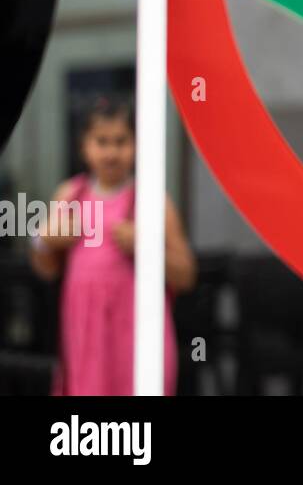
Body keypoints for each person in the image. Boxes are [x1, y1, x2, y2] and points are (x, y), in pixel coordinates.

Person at [29, 95, 197, 395]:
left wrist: (148, 248)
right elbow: (47, 270)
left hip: (139, 336)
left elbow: (185, 276)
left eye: (121, 141)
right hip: (85, 338)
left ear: (136, 145)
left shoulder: (153, 201)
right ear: (84, 146)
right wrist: (43, 241)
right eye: (101, 141)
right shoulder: (70, 196)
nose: (111, 153)